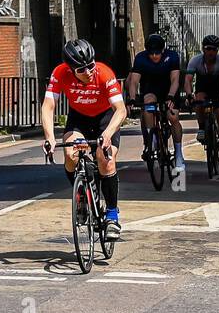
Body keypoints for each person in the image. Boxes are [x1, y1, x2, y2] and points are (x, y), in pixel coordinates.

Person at [40, 38, 127, 239]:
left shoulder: (104, 73)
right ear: (70, 69)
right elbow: (48, 106)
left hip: (106, 119)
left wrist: (107, 134)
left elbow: (121, 110)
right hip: (79, 119)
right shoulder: (60, 73)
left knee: (106, 160)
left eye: (90, 66)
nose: (88, 72)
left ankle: (112, 216)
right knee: (70, 154)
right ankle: (81, 196)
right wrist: (50, 138)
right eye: (81, 69)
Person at [125, 33, 185, 176]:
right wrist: (132, 99)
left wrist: (171, 96)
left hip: (169, 89)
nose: (154, 56)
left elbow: (175, 79)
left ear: (162, 51)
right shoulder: (140, 58)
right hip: (150, 88)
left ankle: (178, 153)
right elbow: (133, 81)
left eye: (157, 53)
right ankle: (152, 140)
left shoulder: (172, 57)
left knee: (173, 118)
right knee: (147, 104)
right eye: (151, 53)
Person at [185, 34, 219, 168]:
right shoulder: (196, 60)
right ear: (203, 49)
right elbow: (188, 80)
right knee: (198, 101)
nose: (211, 52)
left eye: (214, 49)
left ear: (218, 50)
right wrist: (189, 95)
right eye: (208, 49)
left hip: (218, 88)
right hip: (203, 87)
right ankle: (201, 127)